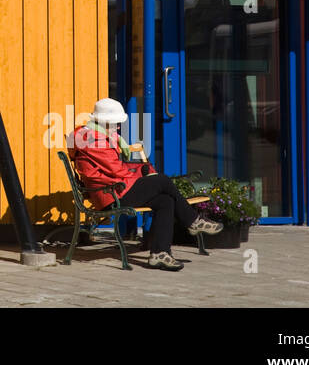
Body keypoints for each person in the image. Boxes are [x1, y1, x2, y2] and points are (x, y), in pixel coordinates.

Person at [71, 98, 223, 271]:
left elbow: (116, 169)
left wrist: (141, 171)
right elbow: (117, 170)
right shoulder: (92, 140)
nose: (118, 127)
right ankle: (193, 221)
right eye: (115, 123)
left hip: (116, 188)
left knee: (165, 200)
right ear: (104, 121)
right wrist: (143, 172)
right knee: (162, 180)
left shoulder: (96, 136)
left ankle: (160, 254)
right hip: (111, 195)